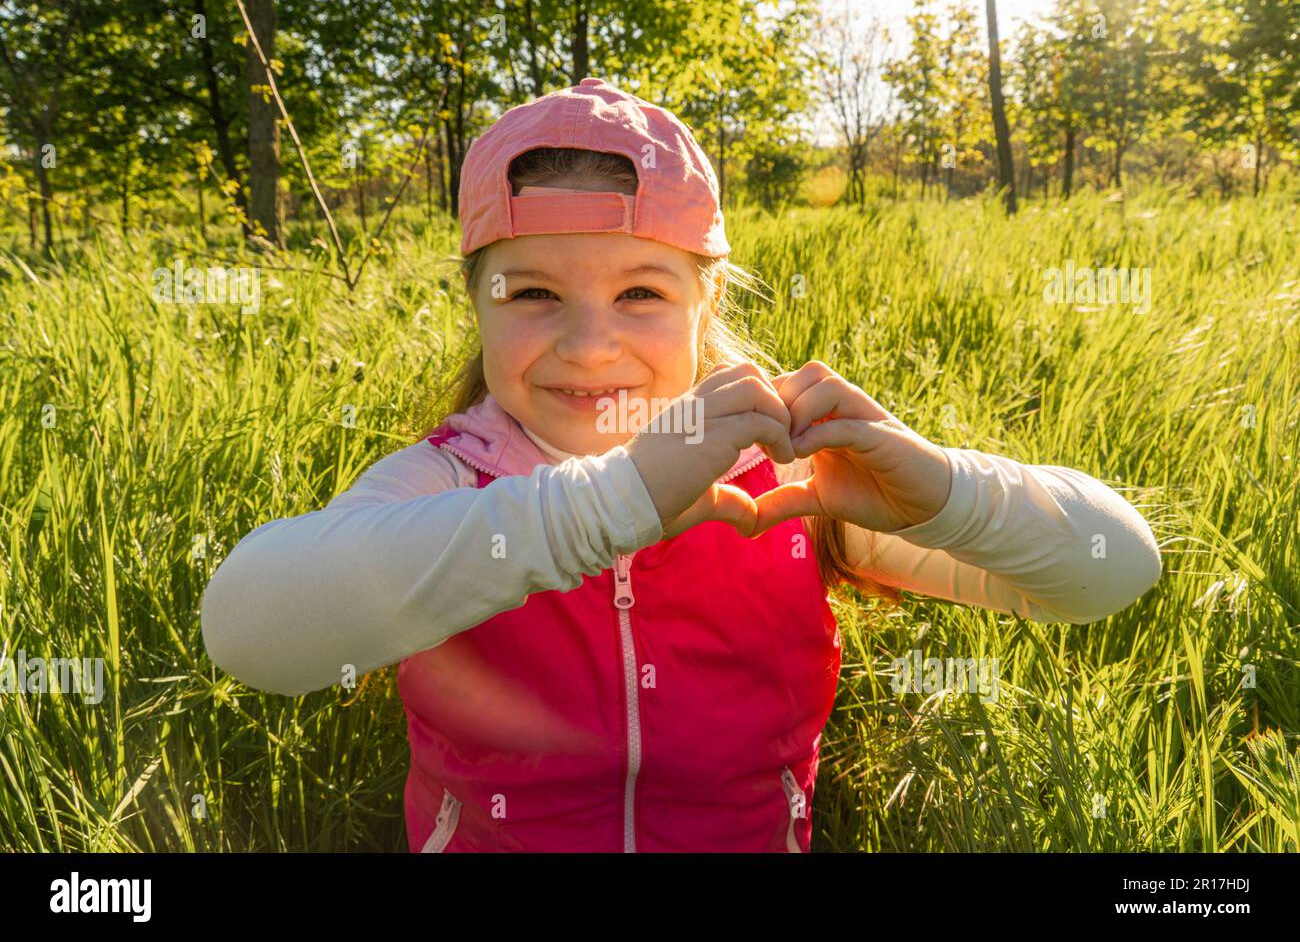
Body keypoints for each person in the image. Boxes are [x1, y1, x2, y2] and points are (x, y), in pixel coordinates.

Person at [200, 77, 1162, 852]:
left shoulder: (781, 483)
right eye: (532, 291)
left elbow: (1114, 572)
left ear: (707, 302)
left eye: (642, 293)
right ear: (477, 305)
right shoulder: (454, 479)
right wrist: (605, 507)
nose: (589, 345)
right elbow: (252, 633)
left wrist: (944, 494)